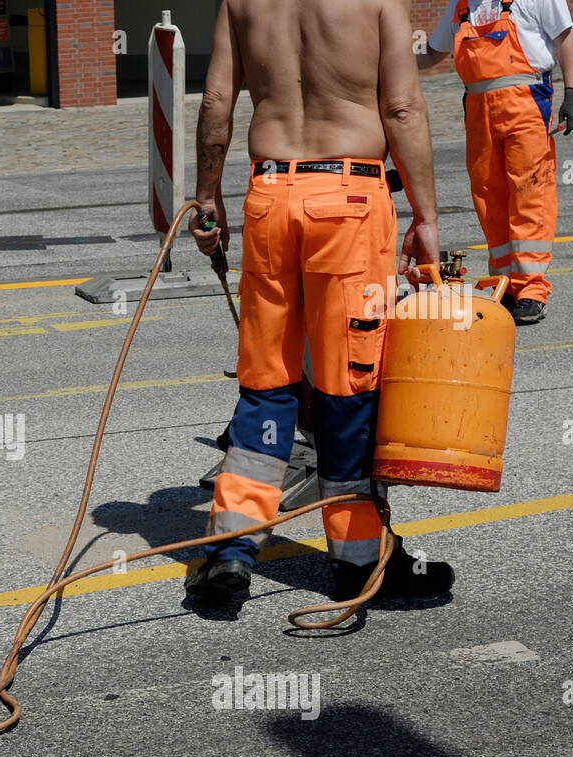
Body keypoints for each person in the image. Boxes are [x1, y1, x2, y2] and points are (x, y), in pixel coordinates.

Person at [186, 0, 454, 604]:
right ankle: (359, 565)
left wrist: (208, 196)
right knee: (347, 388)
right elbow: (402, 106)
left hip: (270, 192)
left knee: (266, 381)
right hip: (350, 200)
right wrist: (426, 215)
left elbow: (215, 101)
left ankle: (230, 552)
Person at [417, 0, 573, 325]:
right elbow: (433, 52)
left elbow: (566, 39)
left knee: (530, 195)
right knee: (488, 196)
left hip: (526, 101)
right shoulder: (460, 5)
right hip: (478, 107)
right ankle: (505, 284)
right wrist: (389, 54)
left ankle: (531, 291)